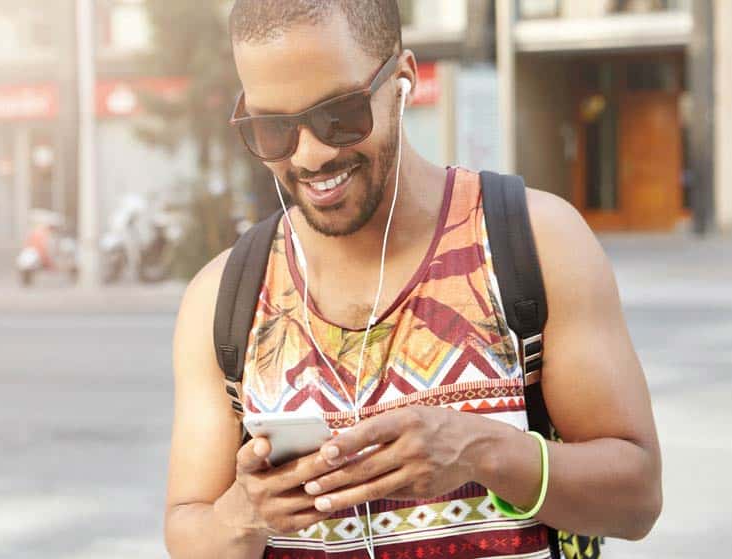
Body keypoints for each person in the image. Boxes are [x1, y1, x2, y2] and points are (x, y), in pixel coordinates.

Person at [165, 1, 662, 558]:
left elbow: (637, 498)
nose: (309, 154)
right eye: (273, 128)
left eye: (339, 116)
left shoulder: (534, 241)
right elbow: (189, 533)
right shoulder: (223, 296)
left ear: (402, 80)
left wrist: (482, 452)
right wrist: (245, 514)